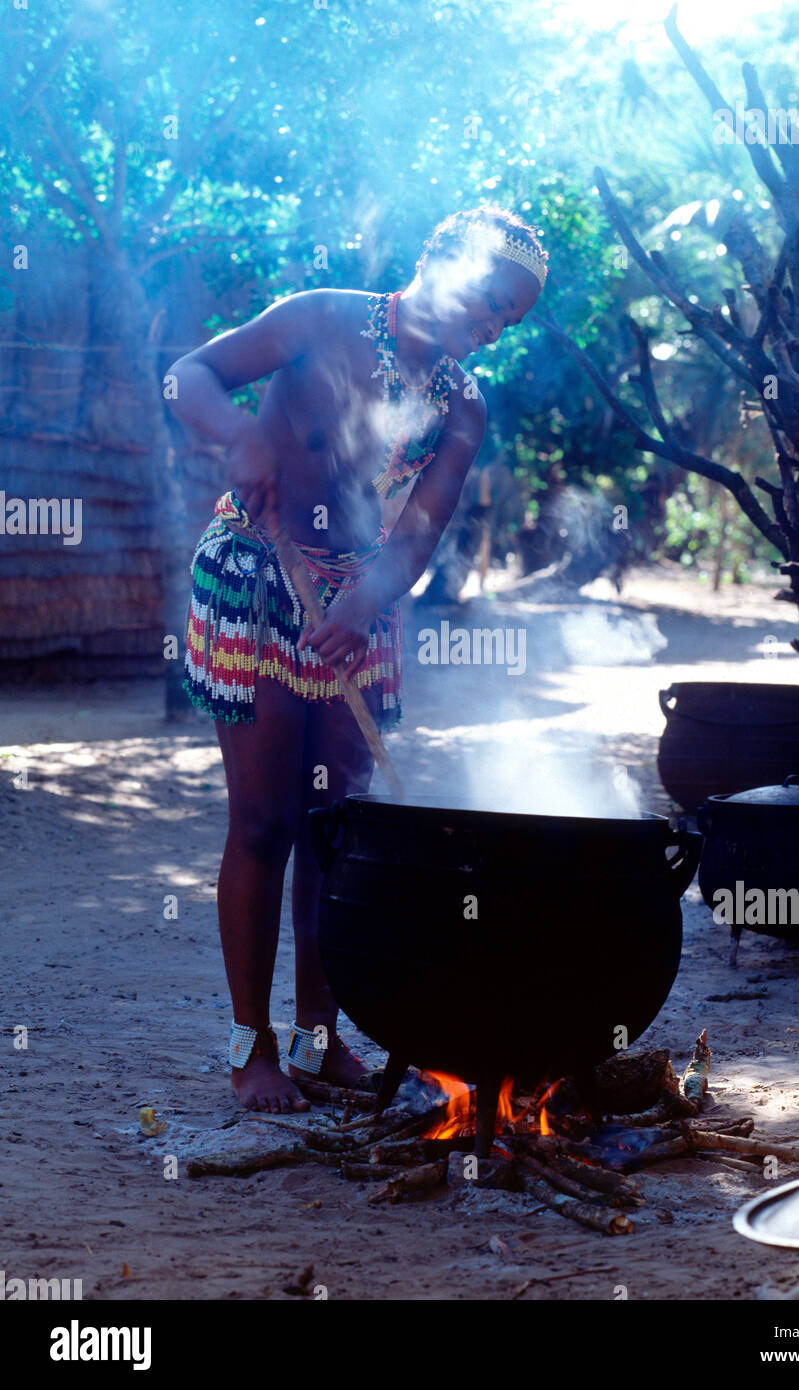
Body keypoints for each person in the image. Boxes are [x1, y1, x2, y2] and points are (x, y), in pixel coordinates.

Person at [165, 206, 547, 1112]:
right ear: (436, 257)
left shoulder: (462, 403)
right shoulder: (317, 319)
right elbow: (191, 376)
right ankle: (249, 1047)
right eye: (490, 300)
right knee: (263, 824)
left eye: (507, 321)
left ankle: (316, 1039)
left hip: (356, 607)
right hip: (259, 583)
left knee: (332, 837)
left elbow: (418, 532)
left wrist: (366, 600)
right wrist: (240, 436)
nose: (490, 327)